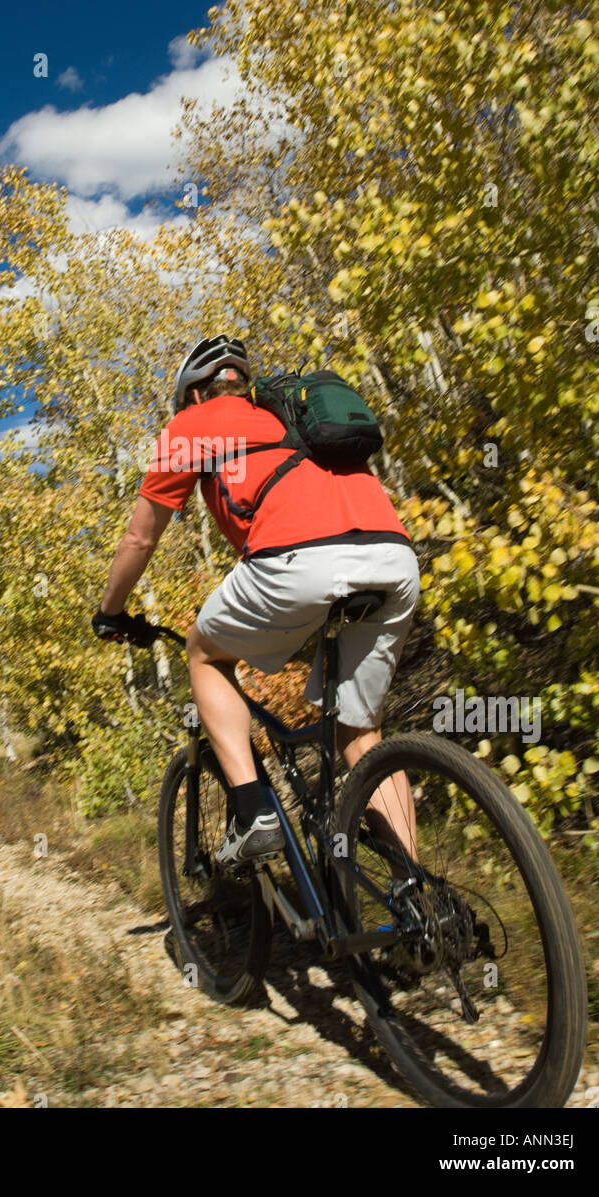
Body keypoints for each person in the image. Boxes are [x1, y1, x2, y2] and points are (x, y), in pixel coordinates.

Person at [92, 335, 421, 868]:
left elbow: (139, 540)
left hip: (299, 558)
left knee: (204, 654)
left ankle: (255, 813)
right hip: (393, 556)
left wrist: (110, 611)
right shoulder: (287, 410)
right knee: (361, 733)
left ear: (193, 395)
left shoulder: (190, 426)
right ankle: (420, 904)